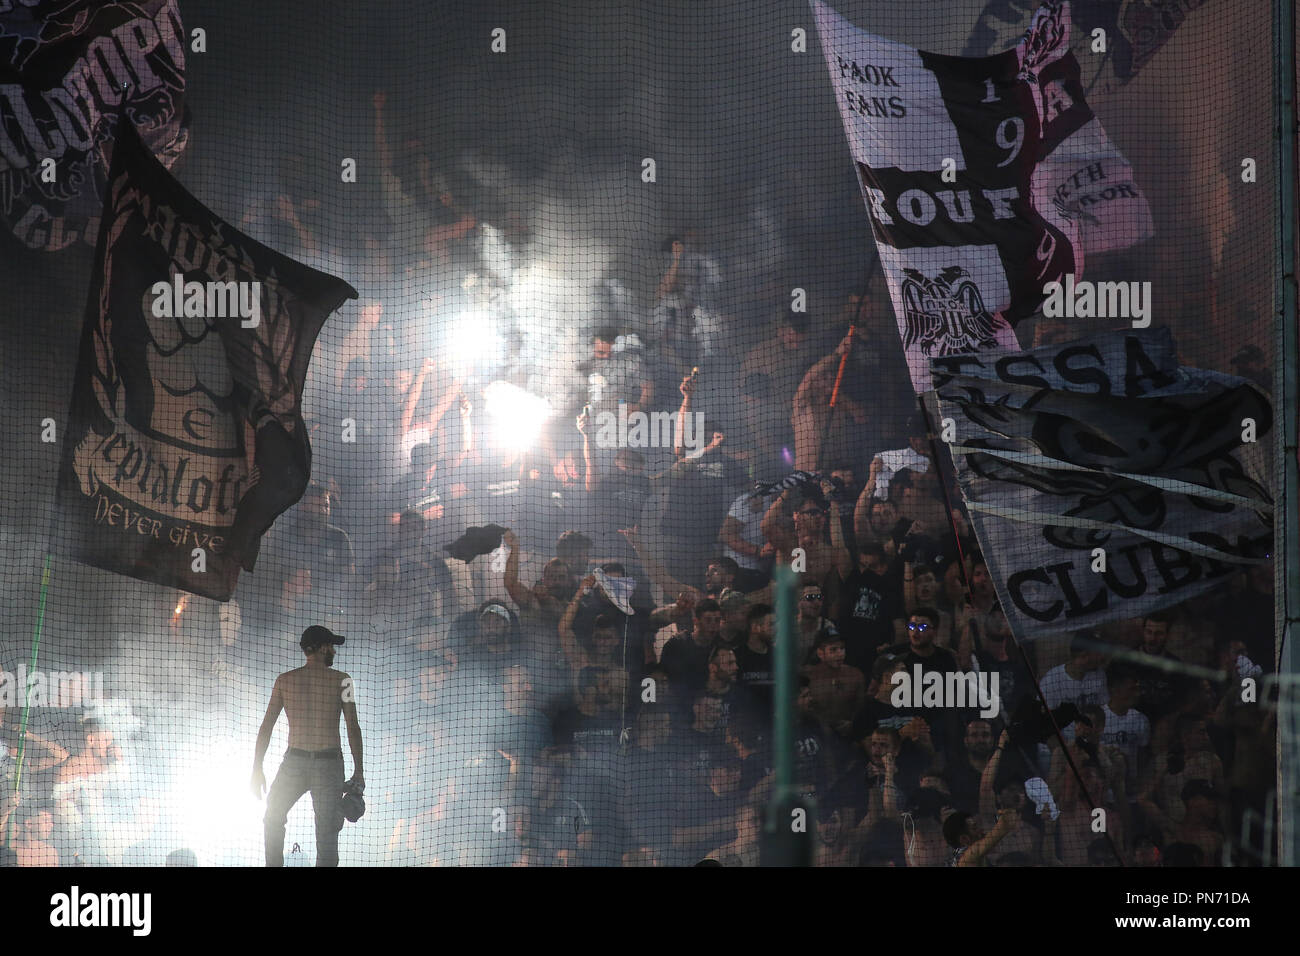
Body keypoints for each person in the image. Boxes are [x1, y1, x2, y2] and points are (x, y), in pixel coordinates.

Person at [253, 626, 364, 867]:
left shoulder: (284, 681)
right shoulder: (343, 681)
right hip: (329, 763)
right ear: (323, 647)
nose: (334, 650)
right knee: (327, 833)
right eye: (332, 646)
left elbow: (266, 727)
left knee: (273, 816)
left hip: (294, 761)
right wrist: (359, 771)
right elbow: (352, 727)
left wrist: (257, 768)